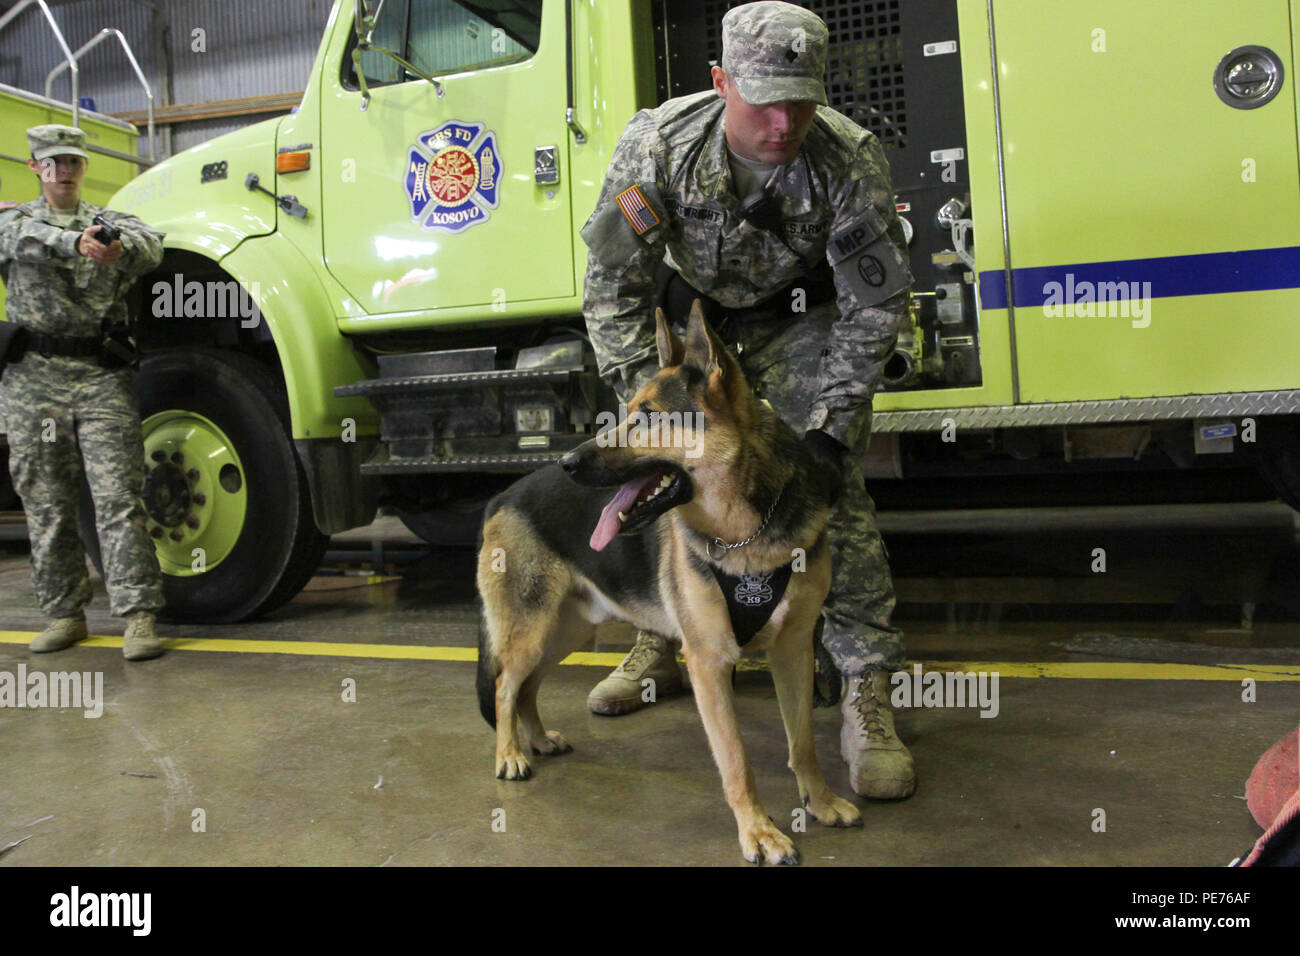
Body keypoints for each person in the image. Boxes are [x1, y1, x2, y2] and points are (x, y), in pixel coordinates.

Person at [579, 1, 916, 798]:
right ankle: (662, 634)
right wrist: (652, 404)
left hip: (801, 322)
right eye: (763, 98)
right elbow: (611, 289)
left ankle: (867, 689)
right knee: (658, 479)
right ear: (721, 81)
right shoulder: (659, 145)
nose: (783, 119)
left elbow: (873, 306)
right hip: (695, 335)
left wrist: (833, 431)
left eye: (800, 97)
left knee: (831, 493)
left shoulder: (848, 157)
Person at [0, 124, 166, 661]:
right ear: (34, 167)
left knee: (119, 498)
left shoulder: (112, 223)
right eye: (52, 161)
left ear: (83, 166)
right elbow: (18, 239)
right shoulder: (16, 221)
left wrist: (116, 250)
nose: (63, 169)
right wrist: (72, 241)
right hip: (34, 379)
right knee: (46, 504)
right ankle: (64, 614)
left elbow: (153, 246)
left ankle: (138, 617)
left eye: (72, 160)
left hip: (99, 375)